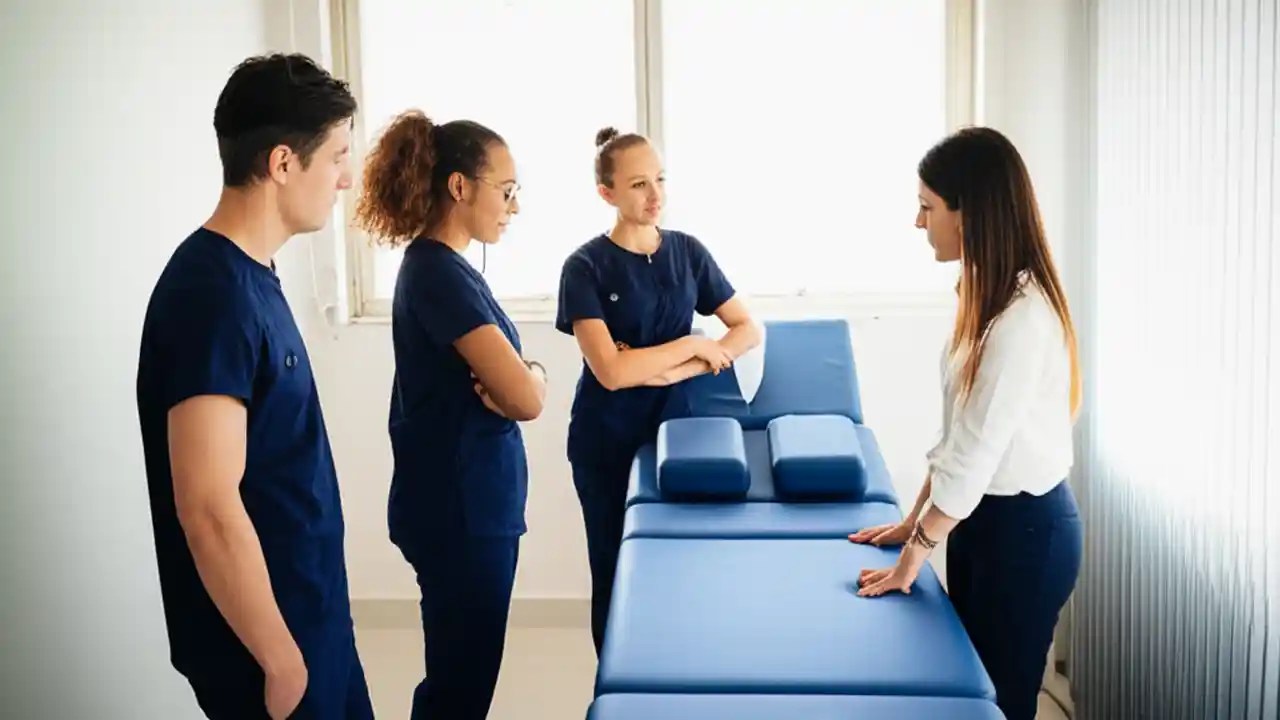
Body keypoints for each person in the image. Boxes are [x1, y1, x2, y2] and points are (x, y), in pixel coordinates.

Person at [135, 54, 372, 719]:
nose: (347, 178)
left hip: (312, 617)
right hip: (265, 649)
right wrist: (279, 657)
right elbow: (206, 504)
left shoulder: (253, 274)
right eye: (337, 156)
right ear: (282, 164)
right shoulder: (210, 295)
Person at [851, 126, 1085, 720]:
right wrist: (910, 526)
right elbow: (958, 438)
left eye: (928, 207)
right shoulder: (985, 294)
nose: (918, 221)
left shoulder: (1022, 321)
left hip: (1026, 535)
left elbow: (976, 455)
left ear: (969, 213)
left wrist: (913, 561)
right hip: (984, 525)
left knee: (998, 704)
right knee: (968, 693)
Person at [353, 108, 547, 719]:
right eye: (507, 191)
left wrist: (526, 374)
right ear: (459, 187)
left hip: (465, 506)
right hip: (460, 513)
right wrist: (528, 379)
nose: (513, 207)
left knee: (460, 681)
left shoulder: (442, 270)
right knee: (460, 691)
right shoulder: (439, 273)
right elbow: (524, 399)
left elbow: (521, 384)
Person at [555, 128, 762, 655]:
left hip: (678, 432)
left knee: (680, 563)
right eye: (639, 183)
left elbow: (745, 330)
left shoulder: (689, 252)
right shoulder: (584, 267)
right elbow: (610, 373)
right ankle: (619, 685)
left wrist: (668, 367)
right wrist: (692, 345)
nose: (655, 195)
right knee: (614, 564)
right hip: (606, 439)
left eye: (661, 179)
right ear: (607, 193)